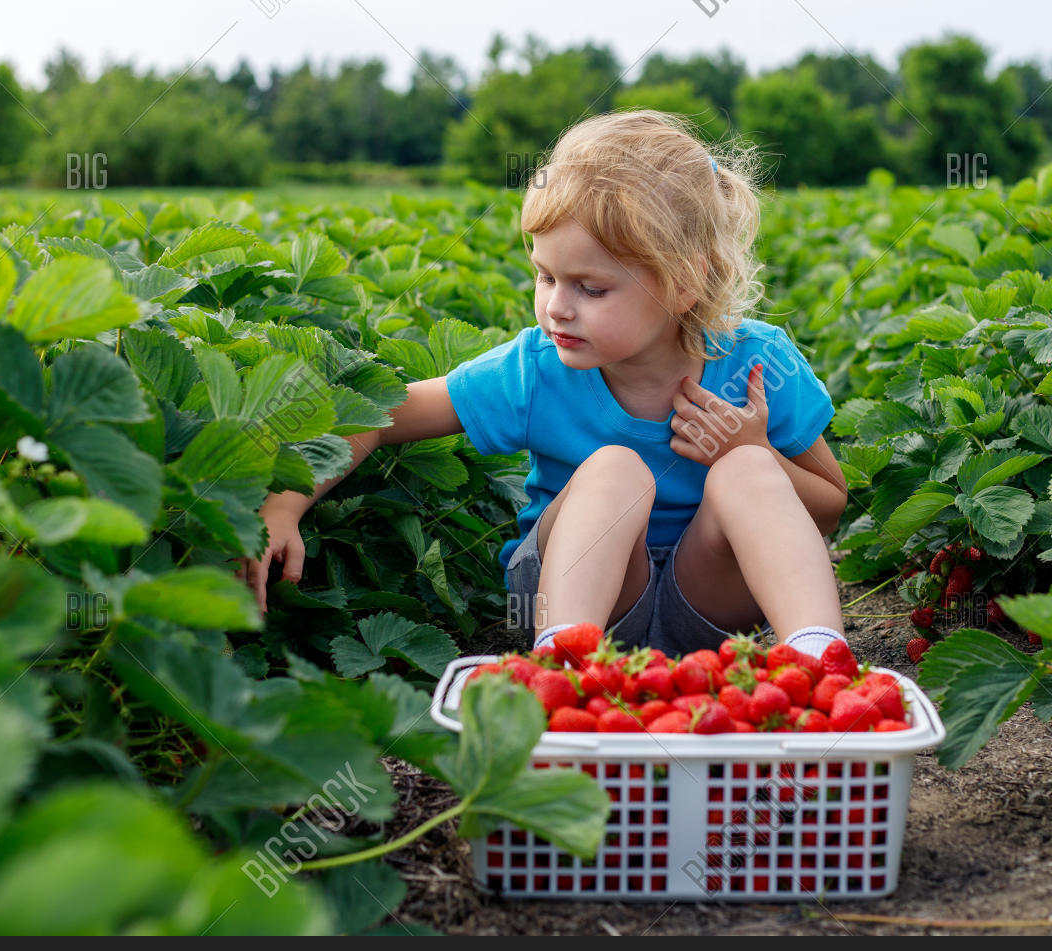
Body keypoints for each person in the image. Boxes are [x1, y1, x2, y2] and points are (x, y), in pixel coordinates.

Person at [239, 109, 850, 662]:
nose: (556, 307)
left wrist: (749, 450)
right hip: (571, 598)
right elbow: (379, 412)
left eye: (591, 287)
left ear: (684, 282)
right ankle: (563, 661)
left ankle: (817, 659)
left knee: (746, 470)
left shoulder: (757, 364)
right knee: (614, 468)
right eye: (545, 276)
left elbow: (828, 504)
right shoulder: (537, 368)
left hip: (714, 606)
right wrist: (286, 504)